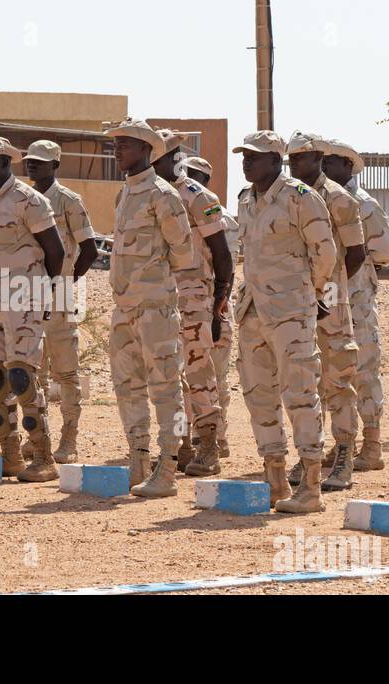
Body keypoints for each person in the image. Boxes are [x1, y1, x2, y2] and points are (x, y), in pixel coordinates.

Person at [233, 131, 337, 513]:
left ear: (277, 161)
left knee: (300, 396)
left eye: (255, 157)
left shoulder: (300, 198)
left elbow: (325, 253)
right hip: (253, 311)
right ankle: (275, 481)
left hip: (291, 311)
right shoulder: (245, 200)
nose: (247, 162)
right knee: (259, 396)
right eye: (244, 156)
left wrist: (310, 292)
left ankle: (311, 487)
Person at [103, 118, 197, 498]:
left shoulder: (163, 195)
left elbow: (184, 253)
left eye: (124, 144)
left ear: (146, 150)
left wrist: (154, 285)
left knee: (166, 388)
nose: (117, 149)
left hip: (155, 306)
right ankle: (138, 458)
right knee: (126, 385)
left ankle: (169, 467)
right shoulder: (125, 193)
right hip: (124, 306)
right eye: (116, 144)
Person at [0, 135, 65, 481]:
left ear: (6, 163)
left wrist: (46, 294)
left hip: (24, 294)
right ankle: (9, 454)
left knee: (22, 374)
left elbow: (56, 251)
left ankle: (43, 456)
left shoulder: (29, 200)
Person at [152, 129, 234, 477]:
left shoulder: (198, 196)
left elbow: (223, 254)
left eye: (153, 158)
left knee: (200, 374)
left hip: (196, 297)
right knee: (169, 377)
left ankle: (209, 447)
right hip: (159, 297)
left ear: (172, 158)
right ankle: (179, 447)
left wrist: (219, 305)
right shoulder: (146, 195)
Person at [286, 132, 365, 491]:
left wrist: (329, 293)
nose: (295, 164)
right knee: (305, 380)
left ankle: (345, 452)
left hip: (330, 300)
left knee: (338, 378)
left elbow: (356, 253)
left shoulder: (339, 199)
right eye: (291, 158)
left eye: (302, 158)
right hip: (297, 300)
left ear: (318, 157)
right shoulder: (289, 195)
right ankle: (309, 456)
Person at [323, 138, 389, 470]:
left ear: (347, 167)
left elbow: (386, 251)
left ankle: (372, 445)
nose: (323, 168)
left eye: (330, 163)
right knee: (334, 369)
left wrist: (362, 263)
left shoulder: (364, 205)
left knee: (365, 368)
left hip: (356, 298)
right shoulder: (320, 201)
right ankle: (343, 442)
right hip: (330, 296)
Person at [21, 139, 97, 463]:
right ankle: (38, 439)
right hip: (28, 296)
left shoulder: (68, 201)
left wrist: (66, 283)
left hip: (60, 296)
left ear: (55, 165)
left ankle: (68, 441)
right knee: (32, 371)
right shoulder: (23, 200)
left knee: (66, 373)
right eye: (29, 161)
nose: (32, 166)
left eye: (40, 161)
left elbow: (89, 249)